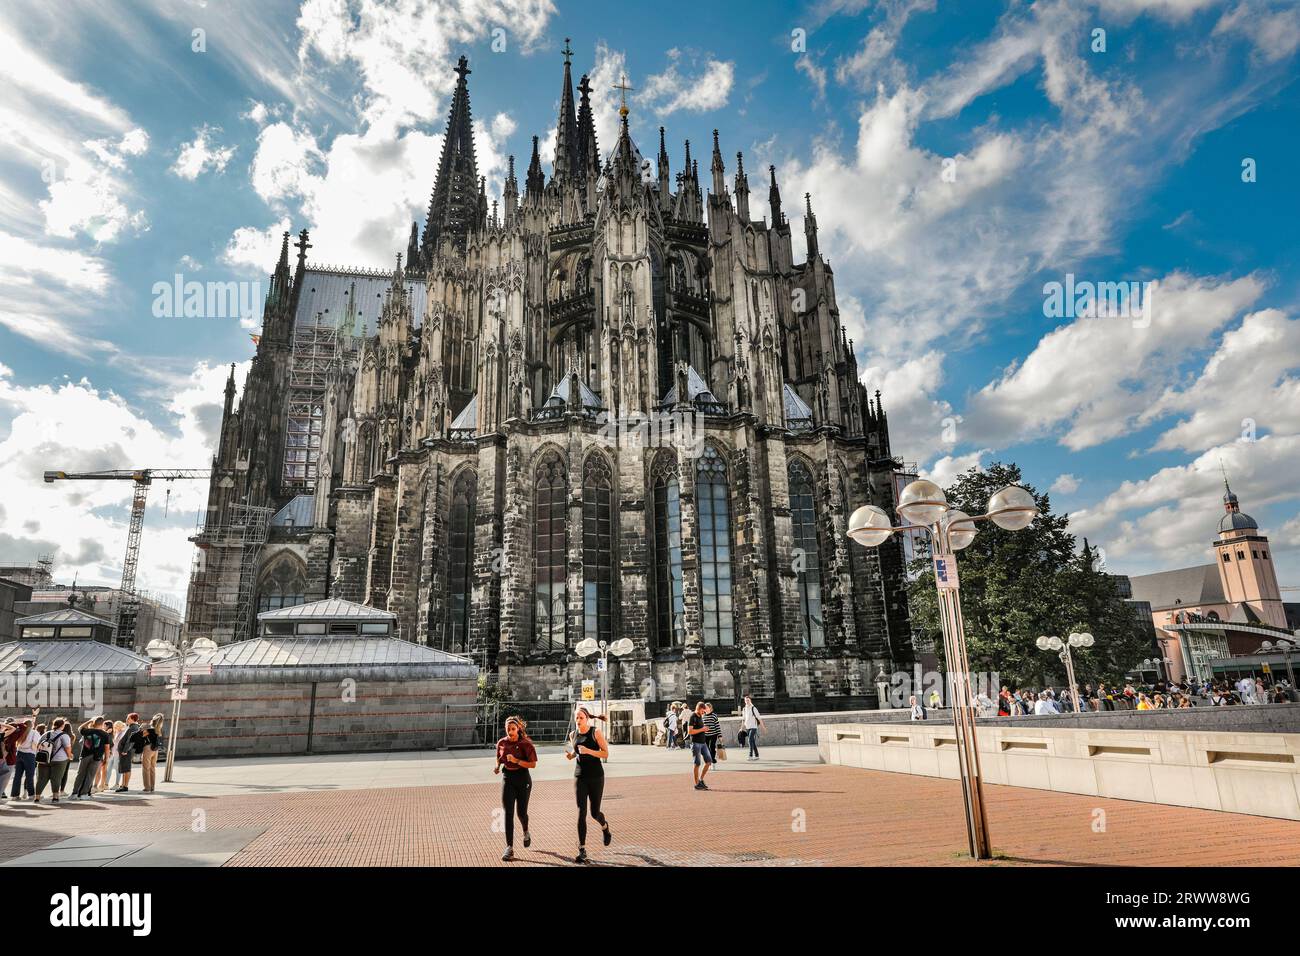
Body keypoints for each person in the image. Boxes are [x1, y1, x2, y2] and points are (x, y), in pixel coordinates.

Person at [565, 707, 611, 864]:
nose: (578, 720)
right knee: (581, 812)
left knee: (594, 813)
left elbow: (605, 753)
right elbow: (577, 751)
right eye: (576, 718)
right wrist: (571, 756)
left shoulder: (595, 732)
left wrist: (589, 751)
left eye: (581, 718)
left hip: (596, 776)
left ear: (587, 718)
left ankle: (605, 826)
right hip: (580, 777)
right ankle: (582, 849)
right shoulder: (573, 734)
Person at [494, 715, 538, 862]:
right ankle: (509, 847)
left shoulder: (526, 744)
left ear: (518, 729)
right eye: (508, 729)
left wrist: (516, 760)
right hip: (508, 778)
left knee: (521, 813)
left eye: (513, 729)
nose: (510, 732)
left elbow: (533, 764)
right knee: (508, 813)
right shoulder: (502, 743)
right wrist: (497, 767)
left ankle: (526, 831)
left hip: (522, 778)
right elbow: (498, 758)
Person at [69, 716, 109, 801]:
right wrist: (106, 759)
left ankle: (74, 793)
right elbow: (107, 748)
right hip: (97, 757)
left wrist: (89, 721)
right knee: (90, 776)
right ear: (102, 723)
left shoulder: (87, 731)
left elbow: (80, 728)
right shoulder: (105, 734)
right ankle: (84, 794)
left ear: (94, 723)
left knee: (80, 774)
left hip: (85, 755)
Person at [34, 718, 73, 803]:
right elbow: (67, 748)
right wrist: (70, 756)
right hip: (59, 760)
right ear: (62, 726)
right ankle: (55, 797)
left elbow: (38, 745)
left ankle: (37, 798)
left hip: (44, 759)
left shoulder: (46, 734)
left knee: (41, 778)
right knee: (56, 778)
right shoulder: (64, 735)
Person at [9, 713, 39, 800]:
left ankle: (15, 795)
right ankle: (31, 794)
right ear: (32, 725)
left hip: (19, 754)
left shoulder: (20, 732)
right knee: (29, 776)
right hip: (29, 755)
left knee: (17, 776)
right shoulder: (34, 732)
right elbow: (34, 745)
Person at [687, 701, 713, 790]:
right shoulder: (692, 717)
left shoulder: (700, 716)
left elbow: (700, 728)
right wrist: (702, 729)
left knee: (709, 761)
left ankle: (701, 780)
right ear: (699, 709)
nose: (703, 713)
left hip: (703, 742)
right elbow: (690, 731)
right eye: (703, 711)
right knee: (697, 763)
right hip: (695, 743)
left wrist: (705, 729)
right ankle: (697, 784)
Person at [114, 713, 142, 793]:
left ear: (133, 719)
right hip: (126, 751)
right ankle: (123, 785)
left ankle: (125, 786)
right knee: (124, 768)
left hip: (127, 752)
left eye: (128, 718)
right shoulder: (132, 727)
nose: (126, 719)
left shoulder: (133, 727)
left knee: (126, 768)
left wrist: (125, 750)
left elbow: (130, 741)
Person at [140, 714, 163, 793]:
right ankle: (152, 787)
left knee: (146, 768)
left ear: (153, 720)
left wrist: (142, 728)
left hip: (148, 749)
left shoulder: (149, 728)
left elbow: (141, 735)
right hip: (155, 750)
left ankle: (147, 788)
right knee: (152, 768)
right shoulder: (158, 729)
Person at [741, 695, 764, 760]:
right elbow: (743, 719)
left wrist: (763, 727)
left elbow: (759, 718)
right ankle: (757, 755)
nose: (747, 701)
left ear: (750, 700)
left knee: (749, 740)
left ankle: (750, 755)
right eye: (746, 700)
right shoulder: (744, 709)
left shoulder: (753, 708)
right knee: (752, 741)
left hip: (753, 727)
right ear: (744, 701)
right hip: (747, 727)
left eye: (748, 700)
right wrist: (741, 728)